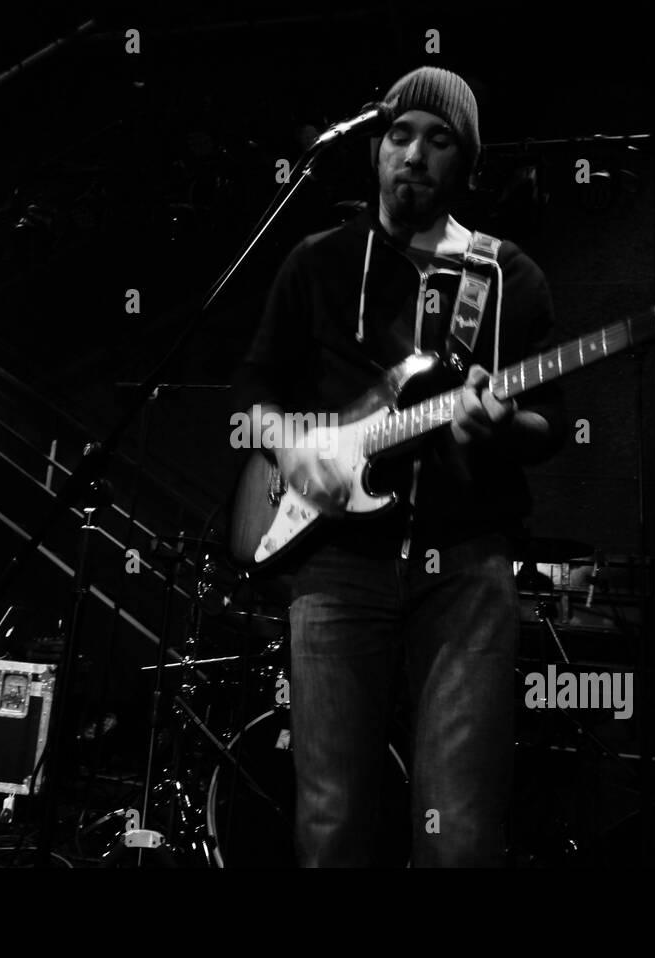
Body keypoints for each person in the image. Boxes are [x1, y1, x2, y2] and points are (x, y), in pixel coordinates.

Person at [235, 66, 567, 866]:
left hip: (465, 568)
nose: (414, 153)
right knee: (330, 820)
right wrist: (290, 448)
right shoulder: (316, 261)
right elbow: (253, 391)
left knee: (460, 829)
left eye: (439, 139)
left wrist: (497, 424)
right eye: (400, 135)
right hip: (337, 566)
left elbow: (549, 424)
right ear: (376, 149)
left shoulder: (506, 277)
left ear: (466, 164)